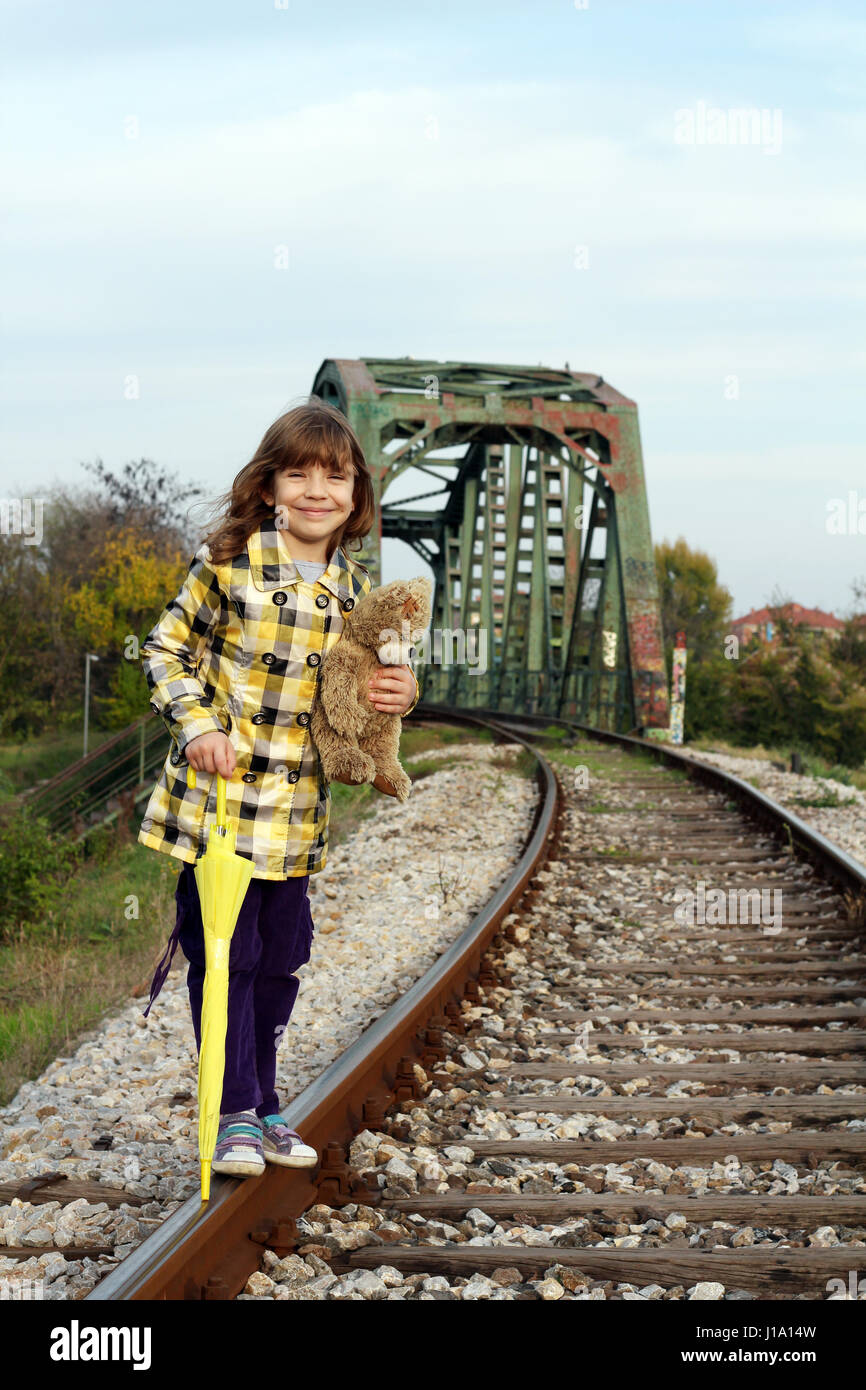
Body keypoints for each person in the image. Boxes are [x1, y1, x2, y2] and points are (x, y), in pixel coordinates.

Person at [137, 397, 420, 1177]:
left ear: (356, 496)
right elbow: (164, 650)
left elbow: (381, 680)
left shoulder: (360, 592)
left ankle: (261, 1103)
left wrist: (400, 696)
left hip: (297, 813)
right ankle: (229, 1113)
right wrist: (197, 725)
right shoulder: (226, 564)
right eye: (298, 474)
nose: (316, 491)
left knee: (278, 960)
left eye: (334, 477)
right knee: (225, 956)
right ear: (269, 487)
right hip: (219, 807)